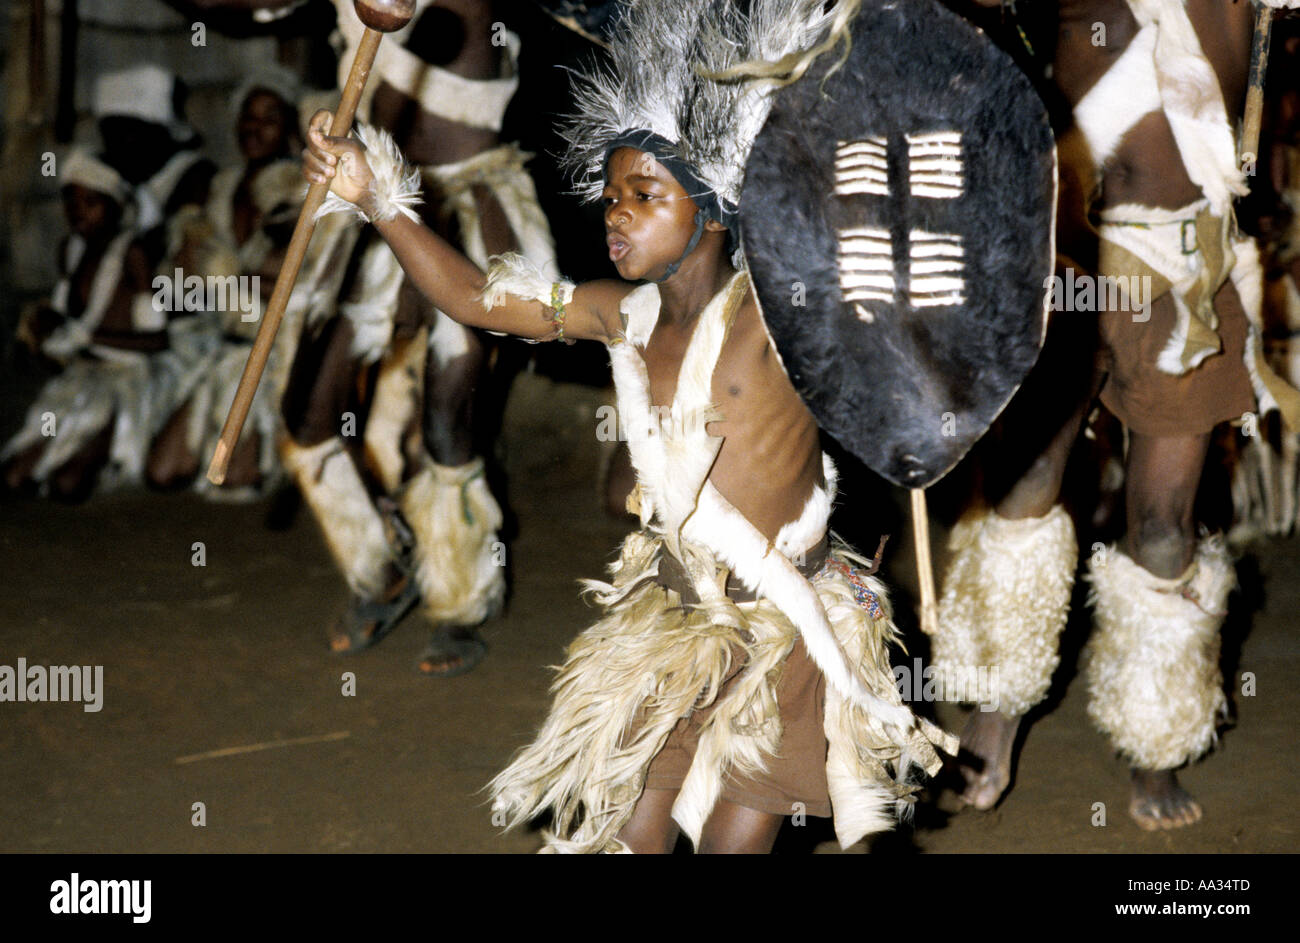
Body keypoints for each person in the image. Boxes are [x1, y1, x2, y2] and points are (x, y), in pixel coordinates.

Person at [303, 0, 955, 853]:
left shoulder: (773, 316)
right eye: (611, 196)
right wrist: (375, 196)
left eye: (645, 194)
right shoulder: (621, 313)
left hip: (787, 633)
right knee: (626, 837)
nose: (616, 213)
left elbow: (879, 295)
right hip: (675, 620)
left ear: (713, 208)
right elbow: (472, 298)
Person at [932, 0, 1300, 830]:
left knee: (1165, 529)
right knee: (1025, 481)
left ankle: (1155, 739)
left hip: (1180, 277)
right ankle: (997, 703)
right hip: (1061, 258)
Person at [2, 151, 163, 499]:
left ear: (117, 206)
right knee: (13, 478)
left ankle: (102, 452)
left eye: (91, 201)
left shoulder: (133, 253)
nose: (79, 212)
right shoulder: (71, 250)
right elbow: (62, 327)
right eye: (71, 202)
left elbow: (157, 341)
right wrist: (42, 339)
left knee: (66, 485)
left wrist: (85, 336)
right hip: (79, 379)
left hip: (124, 380)